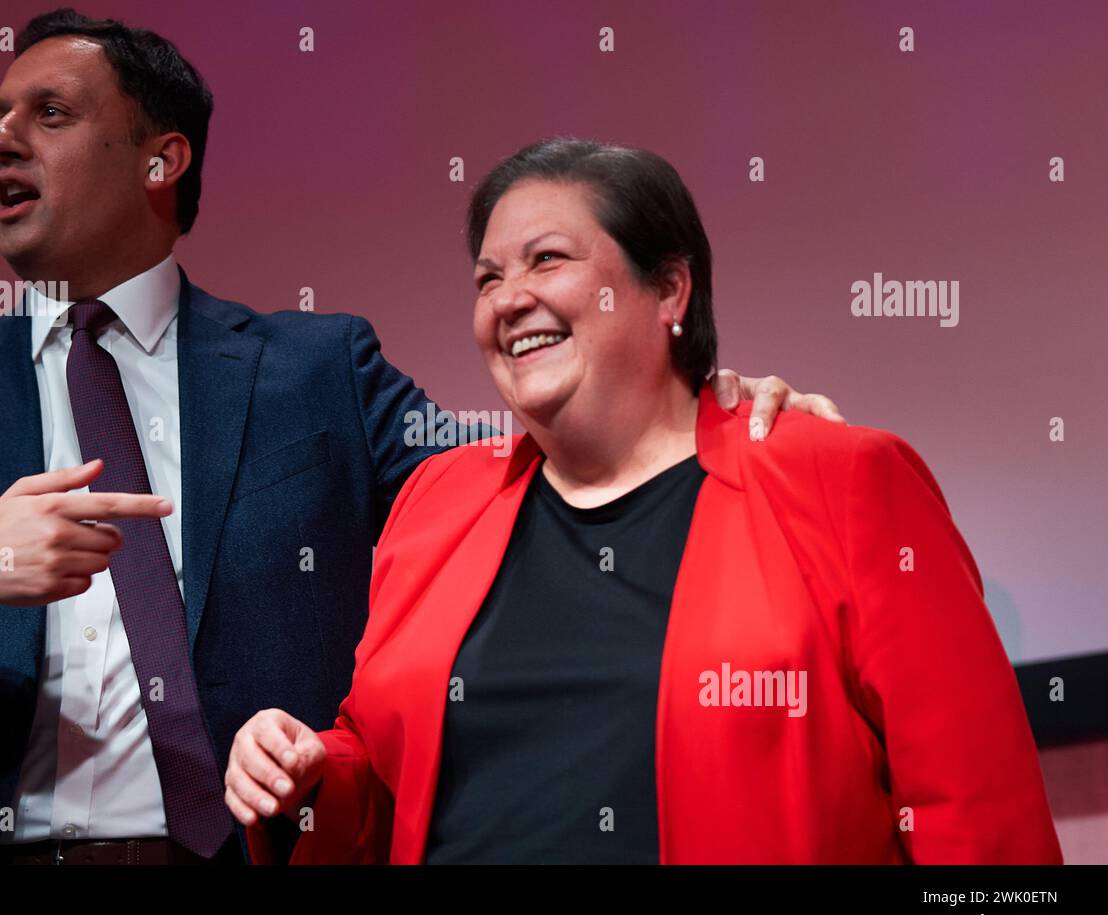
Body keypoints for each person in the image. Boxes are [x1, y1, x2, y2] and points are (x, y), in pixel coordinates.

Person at [0, 14, 826, 866]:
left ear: (164, 158)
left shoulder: (317, 365)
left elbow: (515, 482)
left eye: (50, 113)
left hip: (256, 849)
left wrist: (679, 402)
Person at [227, 138, 1062, 864]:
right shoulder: (435, 503)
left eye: (547, 259)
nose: (507, 297)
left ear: (669, 290)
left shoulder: (840, 482)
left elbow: (984, 826)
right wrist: (307, 773)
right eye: (488, 277)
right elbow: (379, 782)